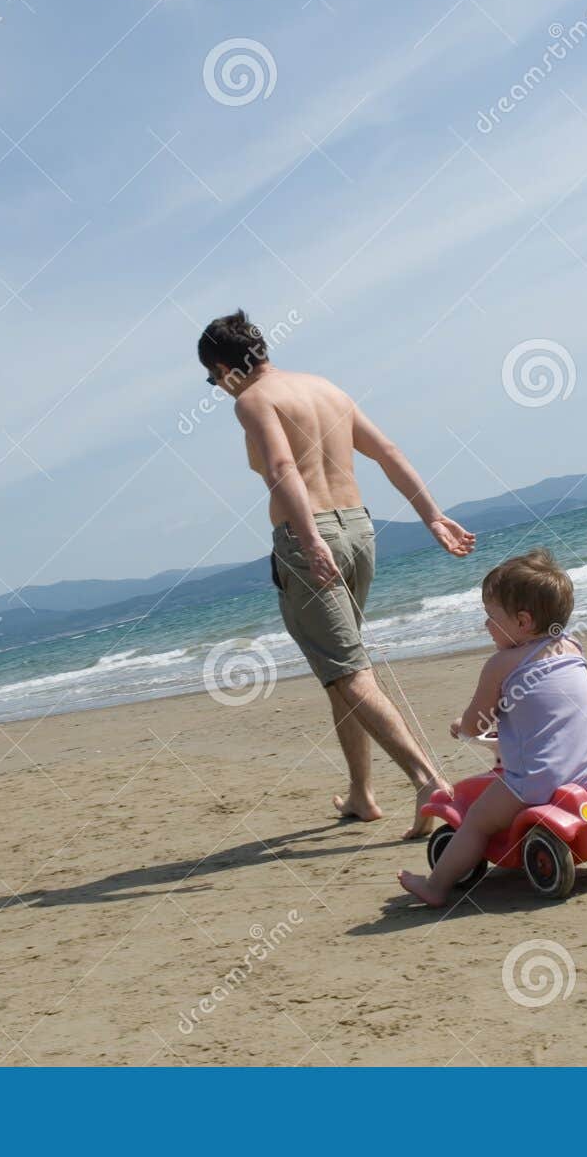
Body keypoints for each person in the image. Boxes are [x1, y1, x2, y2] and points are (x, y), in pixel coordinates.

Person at [197, 309, 476, 837]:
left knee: (348, 671)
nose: (217, 389)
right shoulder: (325, 388)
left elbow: (281, 470)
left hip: (313, 540)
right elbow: (387, 451)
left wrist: (307, 539)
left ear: (223, 367)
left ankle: (429, 784)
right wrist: (432, 515)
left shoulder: (254, 400)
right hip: (360, 531)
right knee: (339, 671)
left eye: (213, 380)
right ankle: (360, 793)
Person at [399, 549, 587, 905]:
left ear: (523, 622)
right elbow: (546, 714)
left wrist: (463, 726)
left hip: (539, 780)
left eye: (491, 616)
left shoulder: (502, 664)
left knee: (476, 822)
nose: (485, 625)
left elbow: (475, 722)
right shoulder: (573, 647)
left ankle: (436, 886)